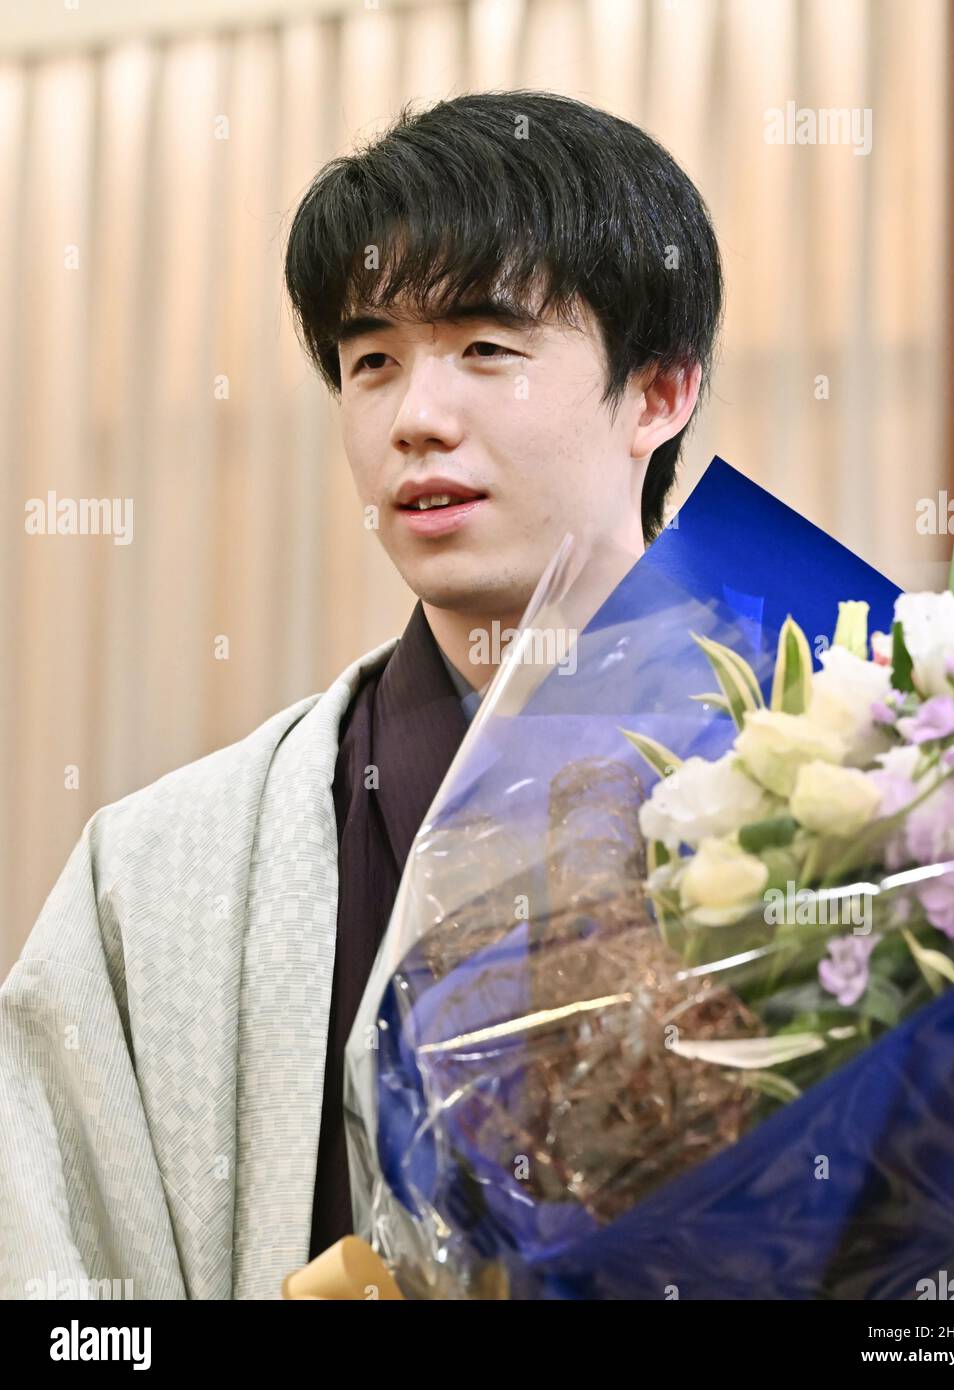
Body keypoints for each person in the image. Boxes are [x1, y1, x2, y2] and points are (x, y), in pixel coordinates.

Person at [0, 89, 723, 1299]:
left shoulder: (871, 792)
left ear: (657, 391)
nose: (415, 419)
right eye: (370, 361)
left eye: (487, 349)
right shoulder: (164, 864)